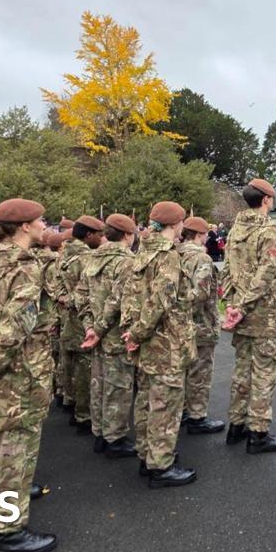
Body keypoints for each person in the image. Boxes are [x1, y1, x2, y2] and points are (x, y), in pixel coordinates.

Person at [0, 199, 57, 552]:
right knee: (14, 454)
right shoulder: (24, 268)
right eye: (40, 221)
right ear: (25, 227)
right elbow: (14, 328)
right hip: (17, 374)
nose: (44, 225)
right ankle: (11, 532)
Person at [124, 201, 197, 487]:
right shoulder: (167, 255)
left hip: (148, 343)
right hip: (166, 342)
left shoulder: (142, 251)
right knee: (165, 405)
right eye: (181, 222)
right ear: (174, 224)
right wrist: (138, 332)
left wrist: (132, 332)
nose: (183, 227)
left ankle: (147, 455)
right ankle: (161, 465)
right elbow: (161, 301)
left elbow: (130, 296)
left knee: (146, 400)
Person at [220, 179, 276, 453]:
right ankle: (258, 433)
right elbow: (266, 274)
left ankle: (236, 425)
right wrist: (243, 306)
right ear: (266, 200)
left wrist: (231, 304)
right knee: (264, 373)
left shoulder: (235, 229)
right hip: (263, 315)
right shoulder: (268, 231)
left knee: (242, 370)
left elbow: (226, 270)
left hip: (241, 313)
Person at [79, 214, 141, 458]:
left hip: (96, 333)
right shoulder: (127, 262)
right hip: (115, 335)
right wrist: (99, 329)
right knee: (118, 388)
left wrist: (90, 327)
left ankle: (100, 434)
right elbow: (117, 301)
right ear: (127, 235)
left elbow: (81, 296)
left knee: (99, 384)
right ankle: (115, 439)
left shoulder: (93, 258)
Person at [178, 216, 225, 435]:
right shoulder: (201, 258)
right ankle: (197, 416)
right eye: (205, 234)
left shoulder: (176, 254)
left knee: (183, 370)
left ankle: (182, 411)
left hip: (180, 325)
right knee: (200, 372)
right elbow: (202, 293)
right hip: (201, 323)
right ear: (199, 235)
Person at [59, 216, 105, 432]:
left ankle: (70, 401)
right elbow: (90, 293)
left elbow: (56, 290)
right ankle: (84, 415)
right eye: (99, 235)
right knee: (86, 369)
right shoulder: (87, 259)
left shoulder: (63, 255)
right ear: (89, 235)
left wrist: (65, 300)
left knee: (70, 362)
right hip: (84, 319)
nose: (102, 239)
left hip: (68, 317)